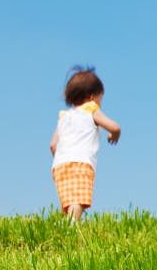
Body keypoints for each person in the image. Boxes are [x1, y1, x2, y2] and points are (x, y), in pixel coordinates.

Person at [50, 67, 121, 222]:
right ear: (92, 97)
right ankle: (71, 229)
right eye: (100, 98)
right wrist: (114, 135)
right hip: (80, 163)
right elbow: (114, 127)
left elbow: (53, 145)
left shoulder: (64, 117)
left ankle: (69, 225)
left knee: (69, 201)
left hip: (59, 166)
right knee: (78, 200)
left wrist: (64, 157)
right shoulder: (91, 110)